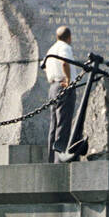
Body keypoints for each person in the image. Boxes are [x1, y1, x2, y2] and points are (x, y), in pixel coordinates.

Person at [44, 25, 76, 162]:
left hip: (53, 87)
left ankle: (52, 159)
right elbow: (65, 63)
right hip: (63, 86)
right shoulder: (65, 47)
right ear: (69, 37)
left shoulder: (51, 49)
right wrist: (68, 80)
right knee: (63, 124)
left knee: (54, 125)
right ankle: (60, 159)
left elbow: (44, 67)